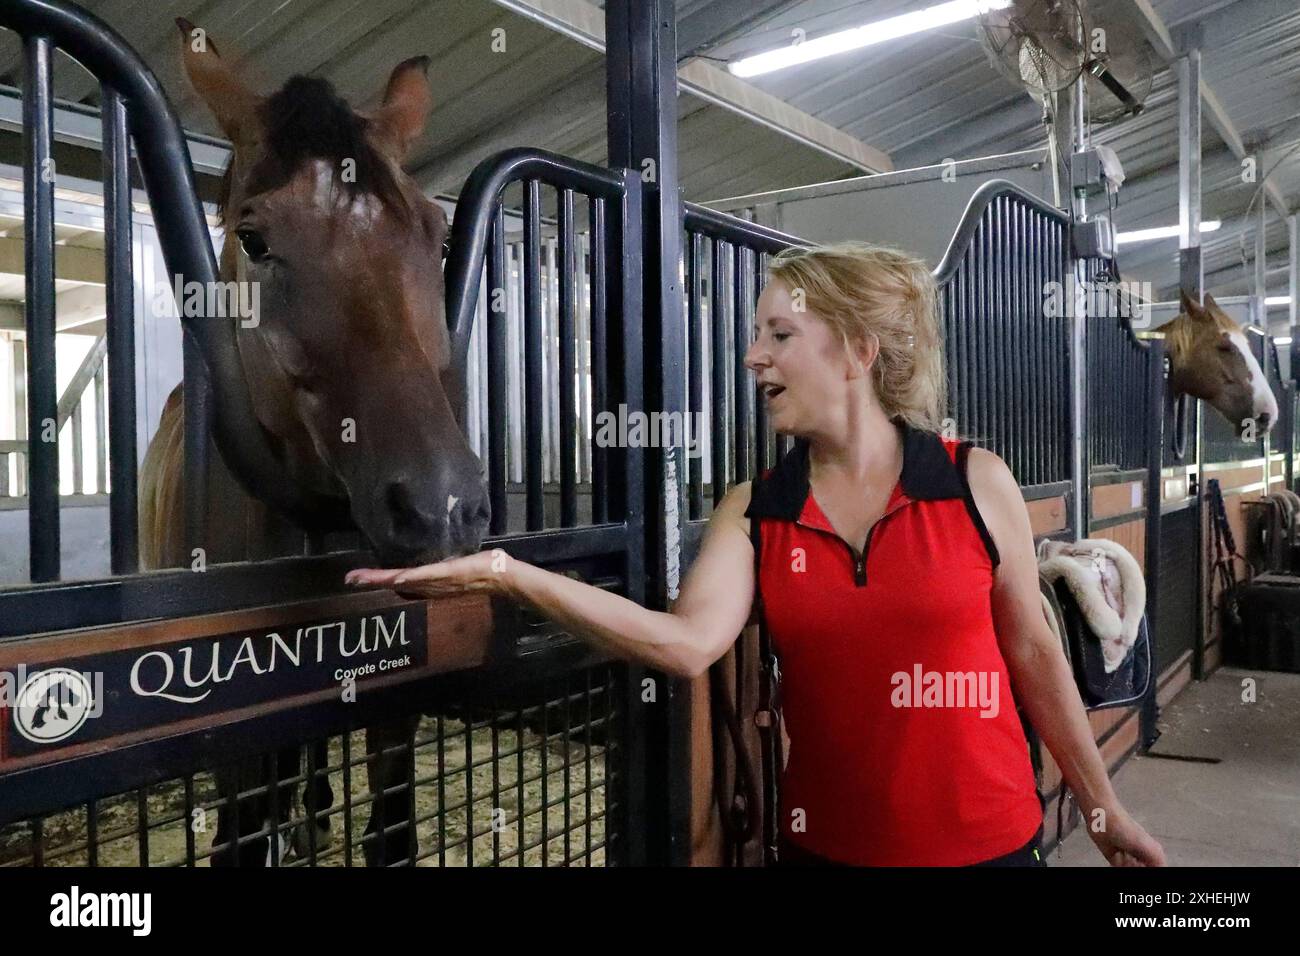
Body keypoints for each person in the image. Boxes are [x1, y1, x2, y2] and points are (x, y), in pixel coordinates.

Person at [346, 241, 1166, 868]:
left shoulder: (973, 482)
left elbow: (1033, 651)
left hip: (991, 847)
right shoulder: (756, 510)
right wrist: (503, 572)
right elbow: (685, 643)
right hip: (827, 855)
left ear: (856, 352)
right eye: (755, 335)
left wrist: (1100, 809)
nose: (753, 358)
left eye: (780, 334)